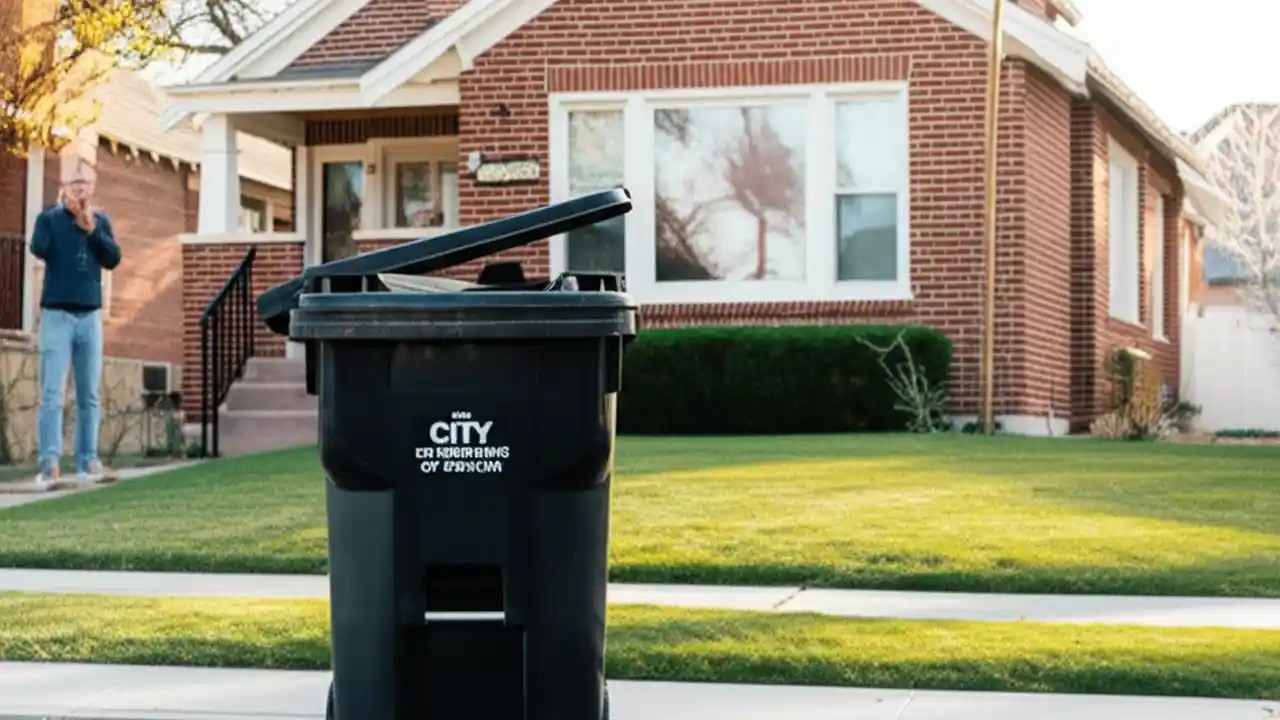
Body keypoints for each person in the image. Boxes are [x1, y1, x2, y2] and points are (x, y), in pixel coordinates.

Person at [29, 173, 122, 489]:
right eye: (74, 183)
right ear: (65, 188)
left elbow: (112, 259)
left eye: (85, 183)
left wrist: (90, 227)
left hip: (89, 317)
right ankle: (49, 465)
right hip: (57, 315)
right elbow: (38, 248)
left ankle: (88, 461)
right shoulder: (49, 219)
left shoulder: (100, 221)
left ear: (93, 188)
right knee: (53, 394)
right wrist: (62, 212)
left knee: (89, 396)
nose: (80, 188)